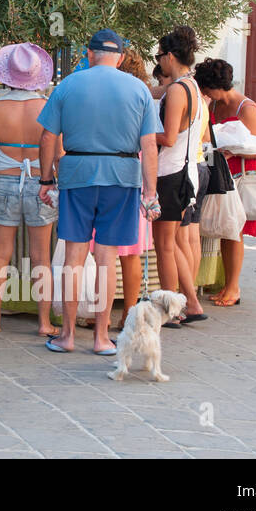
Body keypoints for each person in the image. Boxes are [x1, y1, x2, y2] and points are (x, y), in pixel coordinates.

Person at [37, 29, 161, 355]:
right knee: (107, 259)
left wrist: (46, 180)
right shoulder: (139, 89)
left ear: (89, 54)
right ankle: (102, 338)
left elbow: (48, 138)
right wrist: (151, 193)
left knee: (74, 259)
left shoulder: (67, 85)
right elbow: (149, 145)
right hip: (122, 178)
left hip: (77, 175)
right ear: (120, 58)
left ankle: (66, 336)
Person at [0, 44, 62, 336]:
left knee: (0, 254)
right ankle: (44, 322)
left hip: (4, 182)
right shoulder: (47, 106)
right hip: (41, 183)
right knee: (41, 257)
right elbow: (58, 152)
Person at [194, 58, 256, 306]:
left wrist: (230, 150)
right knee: (222, 227)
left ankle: (233, 287)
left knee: (233, 230)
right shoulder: (213, 104)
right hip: (218, 168)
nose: (206, 94)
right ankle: (221, 283)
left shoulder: (247, 108)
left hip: (240, 170)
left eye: (207, 89)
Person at [151, 26, 209, 326]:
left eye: (159, 56)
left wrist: (142, 135)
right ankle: (193, 303)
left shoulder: (176, 91)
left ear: (170, 56)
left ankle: (171, 309)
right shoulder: (192, 87)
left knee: (164, 246)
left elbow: (169, 137)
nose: (158, 62)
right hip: (186, 174)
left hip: (170, 173)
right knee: (172, 243)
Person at [111, 48, 156, 331]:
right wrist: (151, 191)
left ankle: (97, 312)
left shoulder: (109, 97)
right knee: (131, 250)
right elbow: (150, 143)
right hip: (136, 171)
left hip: (110, 168)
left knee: (102, 250)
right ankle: (128, 313)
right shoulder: (143, 98)